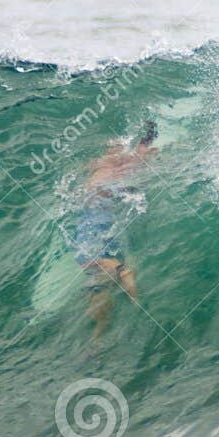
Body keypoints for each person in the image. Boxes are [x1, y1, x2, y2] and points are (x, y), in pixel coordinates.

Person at [73, 121, 158, 341]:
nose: (111, 148)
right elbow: (144, 151)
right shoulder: (121, 162)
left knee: (93, 266)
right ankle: (98, 334)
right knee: (95, 273)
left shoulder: (112, 162)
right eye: (111, 146)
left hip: (96, 211)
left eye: (115, 146)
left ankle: (121, 272)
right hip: (100, 210)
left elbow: (143, 152)